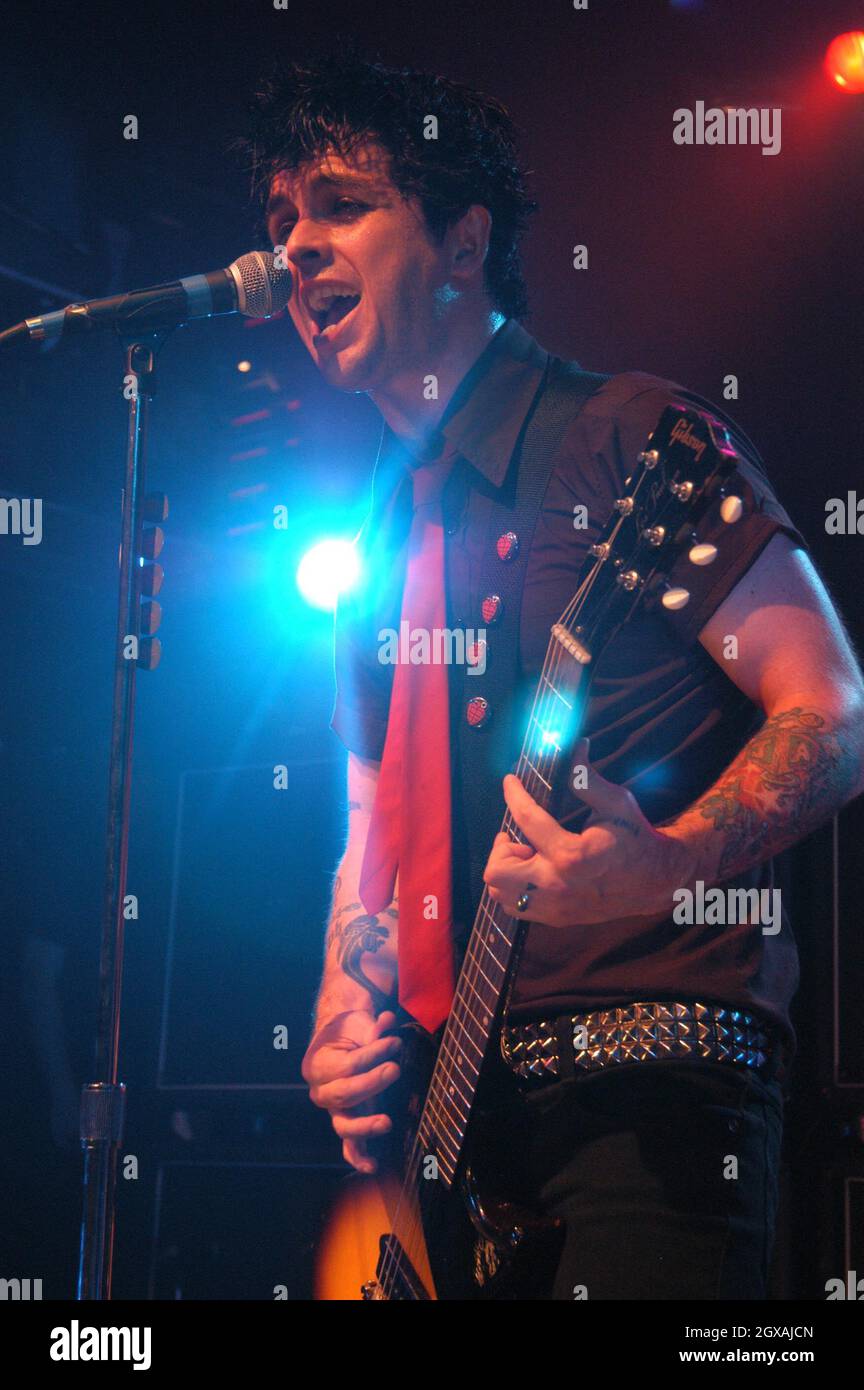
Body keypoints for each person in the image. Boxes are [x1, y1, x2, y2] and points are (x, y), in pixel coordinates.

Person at [241, 48, 864, 1299]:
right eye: (282, 219)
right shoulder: (366, 529)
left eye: (344, 205)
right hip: (456, 1123)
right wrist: (336, 1007)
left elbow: (836, 712)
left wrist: (668, 858)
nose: (299, 245)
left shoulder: (626, 434)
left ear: (466, 241)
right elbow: (369, 820)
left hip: (650, 1087)